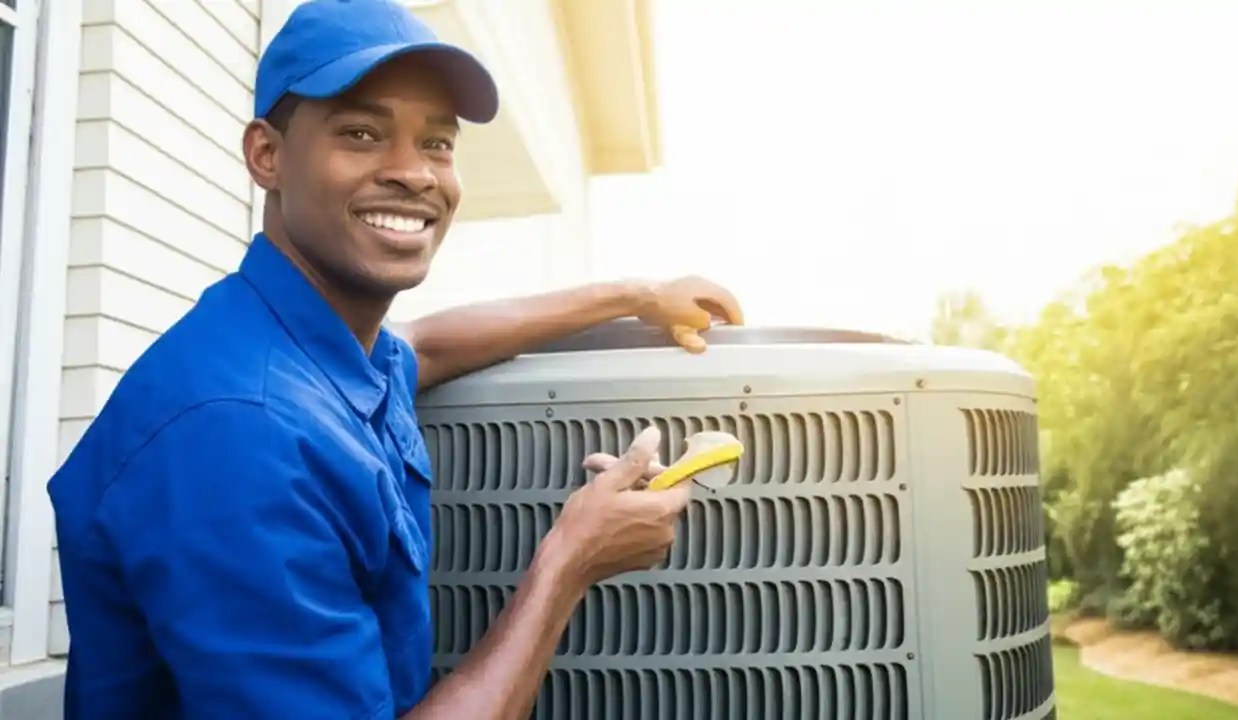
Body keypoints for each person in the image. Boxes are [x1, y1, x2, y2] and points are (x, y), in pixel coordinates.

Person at [46, 1, 743, 718]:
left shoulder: (304, 343)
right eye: (361, 133)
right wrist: (570, 560)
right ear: (267, 155)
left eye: (437, 143)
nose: (413, 173)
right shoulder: (237, 437)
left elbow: (430, 342)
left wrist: (637, 294)